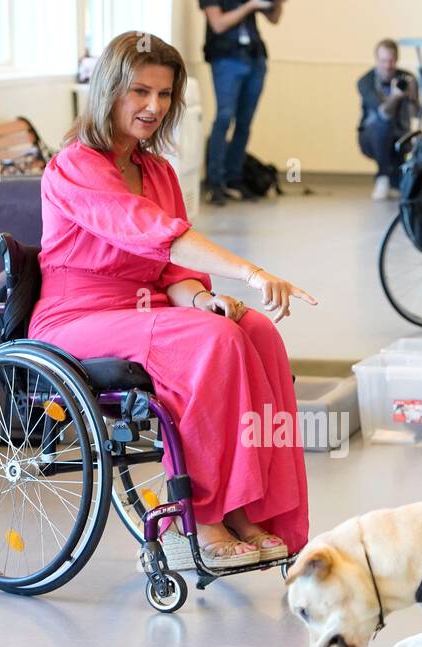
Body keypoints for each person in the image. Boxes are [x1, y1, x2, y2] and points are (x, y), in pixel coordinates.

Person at [29, 32, 315, 568]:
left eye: (164, 95)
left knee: (256, 331)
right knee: (212, 341)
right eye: (139, 92)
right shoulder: (76, 165)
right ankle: (203, 515)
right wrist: (249, 272)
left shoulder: (157, 169)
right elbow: (153, 232)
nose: (153, 107)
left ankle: (245, 505)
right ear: (107, 91)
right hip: (78, 317)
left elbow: (173, 269)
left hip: (148, 307)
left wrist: (201, 298)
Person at [200, 0, 285, 206]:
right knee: (224, 118)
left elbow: (274, 19)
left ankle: (234, 179)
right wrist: (250, 6)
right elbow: (218, 24)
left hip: (255, 57)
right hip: (226, 58)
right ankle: (216, 182)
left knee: (244, 124)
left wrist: (278, 3)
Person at [356, 39, 419, 200]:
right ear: (376, 60)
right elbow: (383, 113)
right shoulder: (366, 82)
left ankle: (395, 180)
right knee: (383, 125)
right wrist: (395, 97)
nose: (387, 65)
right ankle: (382, 177)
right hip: (371, 137)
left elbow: (416, 114)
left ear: (397, 59)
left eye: (391, 61)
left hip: (400, 136)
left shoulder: (406, 79)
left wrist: (412, 97)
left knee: (415, 140)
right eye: (383, 61)